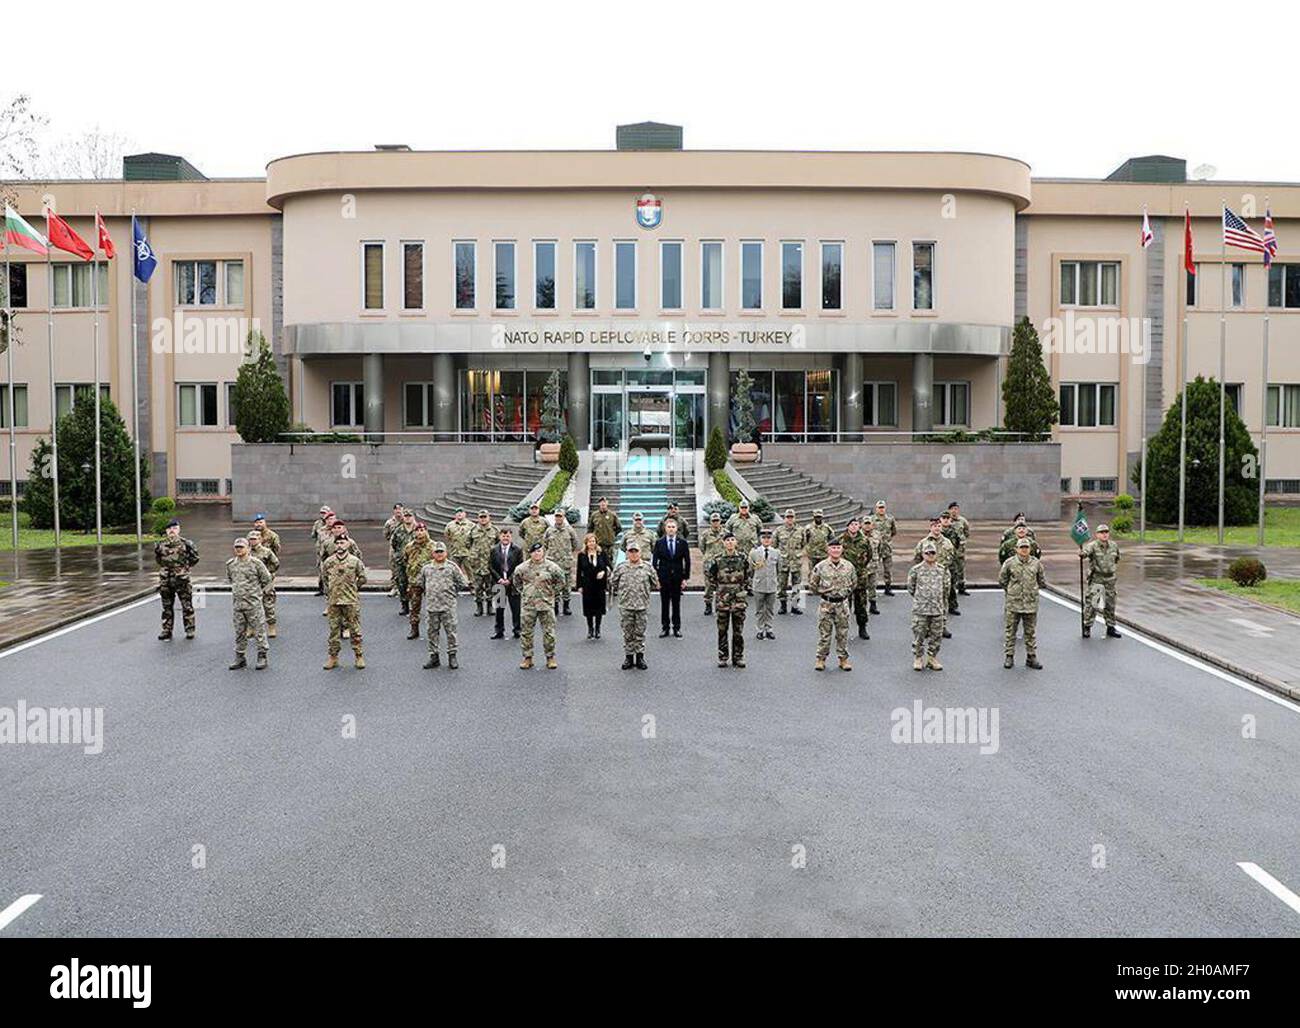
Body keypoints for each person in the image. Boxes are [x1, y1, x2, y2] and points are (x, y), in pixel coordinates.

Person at [512, 542, 568, 670]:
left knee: (549, 632)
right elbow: (517, 582)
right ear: (530, 553)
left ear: (543, 552)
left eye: (539, 551)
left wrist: (552, 592)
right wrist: (526, 593)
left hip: (546, 604)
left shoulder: (552, 567)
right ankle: (527, 658)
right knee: (526, 632)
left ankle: (550, 657)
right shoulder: (522, 568)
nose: (537, 554)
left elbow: (561, 581)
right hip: (529, 605)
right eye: (534, 552)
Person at [808, 537, 856, 671]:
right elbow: (813, 584)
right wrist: (823, 592)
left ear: (842, 549)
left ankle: (843, 659)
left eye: (838, 547)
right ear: (828, 550)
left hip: (842, 604)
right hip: (826, 604)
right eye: (833, 548)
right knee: (825, 634)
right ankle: (820, 659)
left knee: (843, 633)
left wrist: (843, 593)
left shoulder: (848, 566)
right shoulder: (821, 566)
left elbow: (853, 583)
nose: (836, 550)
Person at [420, 541, 469, 669]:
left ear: (446, 553)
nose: (439, 554)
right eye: (437, 552)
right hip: (432, 606)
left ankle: (452, 656)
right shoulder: (426, 568)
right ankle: (434, 657)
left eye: (441, 552)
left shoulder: (452, 567)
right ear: (433, 553)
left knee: (451, 632)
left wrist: (452, 593)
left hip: (448, 606)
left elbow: (462, 583)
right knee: (432, 633)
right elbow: (422, 584)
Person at [706, 532, 751, 669]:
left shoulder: (742, 558)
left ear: (736, 542)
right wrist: (720, 589)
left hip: (738, 598)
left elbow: (748, 574)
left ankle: (738, 657)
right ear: (723, 543)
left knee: (738, 631)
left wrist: (742, 588)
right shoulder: (718, 559)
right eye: (727, 540)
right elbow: (710, 576)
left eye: (732, 540)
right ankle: (723, 657)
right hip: (723, 599)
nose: (730, 542)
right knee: (722, 630)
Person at [1000, 535, 1046, 669]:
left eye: (1026, 547)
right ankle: (1009, 656)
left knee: (1030, 632)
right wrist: (1012, 591)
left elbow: (1041, 581)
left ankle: (1031, 657)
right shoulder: (1009, 563)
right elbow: (1002, 580)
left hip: (1030, 604)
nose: (1024, 550)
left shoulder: (1036, 563)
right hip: (1014, 603)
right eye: (1022, 547)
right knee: (1010, 631)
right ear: (1016, 549)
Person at [322, 534, 366, 670]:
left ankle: (359, 655)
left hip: (350, 600)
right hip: (334, 601)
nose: (340, 545)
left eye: (343, 542)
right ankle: (333, 657)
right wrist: (330, 592)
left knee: (355, 629)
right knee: (334, 630)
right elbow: (324, 579)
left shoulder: (355, 561)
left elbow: (363, 578)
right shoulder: (329, 562)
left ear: (348, 544)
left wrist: (353, 589)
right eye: (338, 543)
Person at [226, 537, 271, 671]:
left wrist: (257, 593)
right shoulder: (230, 564)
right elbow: (230, 579)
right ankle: (240, 657)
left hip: (253, 604)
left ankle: (262, 656)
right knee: (239, 632)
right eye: (237, 547)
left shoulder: (256, 563)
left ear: (248, 548)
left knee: (259, 631)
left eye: (241, 547)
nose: (239, 549)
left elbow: (266, 579)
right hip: (238, 605)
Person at [611, 539, 656, 669]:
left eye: (636, 551)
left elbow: (655, 583)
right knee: (628, 633)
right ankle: (629, 657)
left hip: (642, 605)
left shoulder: (647, 567)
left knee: (640, 632)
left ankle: (640, 657)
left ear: (640, 553)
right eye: (631, 552)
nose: (633, 554)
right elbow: (613, 582)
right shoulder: (621, 568)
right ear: (627, 553)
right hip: (626, 606)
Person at [155, 519, 199, 641]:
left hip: (182, 579)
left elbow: (195, 558)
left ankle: (190, 629)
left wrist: (184, 568)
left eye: (174, 528)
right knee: (167, 607)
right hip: (166, 580)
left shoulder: (186, 543)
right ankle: (167, 630)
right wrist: (166, 569)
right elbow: (158, 559)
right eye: (169, 529)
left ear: (179, 529)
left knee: (187, 606)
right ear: (166, 531)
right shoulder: (160, 544)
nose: (172, 531)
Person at [908, 541, 949, 671]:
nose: (930, 555)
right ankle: (918, 658)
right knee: (919, 634)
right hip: (921, 608)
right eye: (927, 553)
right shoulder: (916, 570)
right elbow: (911, 588)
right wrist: (922, 598)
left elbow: (946, 588)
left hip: (937, 608)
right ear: (922, 554)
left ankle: (932, 658)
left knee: (936, 635)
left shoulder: (942, 570)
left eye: (933, 553)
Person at [912, 517, 955, 639]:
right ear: (930, 527)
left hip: (942, 575)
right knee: (926, 603)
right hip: (926, 576)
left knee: (943, 601)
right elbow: (917, 558)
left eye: (939, 526)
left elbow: (952, 557)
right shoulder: (923, 543)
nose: (937, 528)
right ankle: (925, 628)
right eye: (934, 526)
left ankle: (942, 626)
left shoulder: (947, 543)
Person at [1081, 523, 1122, 639]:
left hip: (1110, 579)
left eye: (1106, 532)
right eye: (1102, 533)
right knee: (1093, 604)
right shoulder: (1093, 546)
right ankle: (1087, 626)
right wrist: (1082, 554)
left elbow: (1117, 558)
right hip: (1097, 578)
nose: (1104, 535)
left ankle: (1110, 627)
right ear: (1097, 534)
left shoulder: (1114, 546)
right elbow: (1086, 552)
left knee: (1110, 604)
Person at [652, 517, 690, 638]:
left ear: (677, 528)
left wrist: (685, 578)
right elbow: (655, 562)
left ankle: (677, 628)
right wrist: (656, 579)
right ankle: (665, 627)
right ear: (665, 528)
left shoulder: (682, 543)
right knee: (664, 604)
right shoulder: (659, 543)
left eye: (673, 527)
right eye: (669, 527)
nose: (671, 529)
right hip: (664, 577)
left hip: (677, 578)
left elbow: (687, 561)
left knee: (676, 604)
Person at [839, 515, 873, 640]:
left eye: (856, 524)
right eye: (851, 524)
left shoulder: (864, 541)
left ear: (859, 526)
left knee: (861, 604)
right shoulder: (841, 540)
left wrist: (861, 568)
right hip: (845, 578)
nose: (854, 527)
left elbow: (869, 555)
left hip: (860, 577)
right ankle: (843, 630)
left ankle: (862, 627)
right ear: (848, 526)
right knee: (844, 605)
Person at [543, 508, 580, 616]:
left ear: (564, 517)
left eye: (560, 516)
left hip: (565, 562)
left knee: (566, 585)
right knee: (554, 585)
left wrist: (566, 554)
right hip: (553, 562)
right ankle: (555, 605)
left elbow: (575, 544)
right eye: (557, 516)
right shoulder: (549, 530)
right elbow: (545, 544)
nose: (558, 518)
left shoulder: (570, 530)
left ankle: (566, 605)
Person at [403, 521, 435, 640]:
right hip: (415, 581)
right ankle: (414, 629)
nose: (420, 533)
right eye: (418, 530)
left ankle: (433, 630)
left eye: (422, 530)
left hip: (430, 581)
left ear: (426, 531)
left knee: (432, 607)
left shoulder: (433, 546)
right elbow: (405, 560)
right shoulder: (409, 546)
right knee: (414, 607)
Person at [490, 527, 523, 639]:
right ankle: (499, 630)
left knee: (516, 609)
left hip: (513, 584)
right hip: (498, 583)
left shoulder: (517, 550)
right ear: (500, 537)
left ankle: (517, 630)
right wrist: (499, 579)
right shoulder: (494, 550)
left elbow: (520, 567)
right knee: (499, 609)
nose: (505, 538)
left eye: (508, 536)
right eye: (503, 536)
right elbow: (490, 566)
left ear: (511, 537)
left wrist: (510, 579)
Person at [246, 527, 280, 639]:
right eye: (251, 539)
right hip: (251, 582)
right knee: (250, 605)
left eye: (255, 539)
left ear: (260, 540)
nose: (253, 541)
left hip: (265, 582)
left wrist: (269, 574)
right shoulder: (247, 552)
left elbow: (275, 563)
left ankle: (271, 625)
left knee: (268, 604)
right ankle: (251, 627)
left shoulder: (266, 552)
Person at [576, 533, 610, 639]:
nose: (592, 543)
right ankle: (590, 629)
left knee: (599, 608)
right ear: (586, 543)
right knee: (589, 608)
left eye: (593, 541)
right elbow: (579, 571)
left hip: (599, 585)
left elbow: (608, 566)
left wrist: (603, 572)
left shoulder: (602, 553)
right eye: (590, 541)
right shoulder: (581, 555)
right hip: (588, 584)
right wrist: (579, 586)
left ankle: (598, 629)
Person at [748, 527, 779, 641]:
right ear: (760, 539)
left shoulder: (776, 553)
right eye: (764, 538)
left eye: (768, 538)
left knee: (770, 609)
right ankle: (760, 629)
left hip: (771, 585)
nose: (766, 540)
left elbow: (778, 569)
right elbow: (751, 570)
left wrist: (776, 581)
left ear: (771, 540)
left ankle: (769, 628)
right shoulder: (754, 553)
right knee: (760, 609)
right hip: (759, 585)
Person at [774, 508, 806, 616]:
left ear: (794, 518)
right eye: (788, 517)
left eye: (791, 517)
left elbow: (803, 544)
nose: (789, 519)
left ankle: (794, 606)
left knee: (796, 585)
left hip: (796, 562)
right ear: (784, 518)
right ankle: (783, 606)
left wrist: (798, 554)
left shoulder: (800, 530)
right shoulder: (779, 531)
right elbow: (774, 545)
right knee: (781, 584)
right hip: (783, 561)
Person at [467, 510, 497, 616]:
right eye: (481, 517)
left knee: (490, 586)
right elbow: (468, 543)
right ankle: (479, 607)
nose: (483, 519)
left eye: (485, 517)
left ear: (489, 517)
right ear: (478, 518)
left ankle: (489, 606)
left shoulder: (494, 530)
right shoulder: (473, 530)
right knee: (478, 587)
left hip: (490, 563)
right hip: (477, 564)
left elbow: (498, 545)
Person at [390, 508, 416, 617]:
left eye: (410, 516)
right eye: (406, 516)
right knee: (401, 583)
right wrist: (398, 556)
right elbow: (394, 544)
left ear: (413, 517)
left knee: (415, 584)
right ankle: (405, 605)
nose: (408, 518)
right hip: (401, 561)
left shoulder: (418, 529)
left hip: (414, 561)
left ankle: (415, 606)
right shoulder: (398, 530)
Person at [700, 511, 727, 616]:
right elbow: (702, 547)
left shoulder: (725, 533)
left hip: (722, 563)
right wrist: (709, 556)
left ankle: (721, 605)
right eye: (713, 521)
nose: (715, 523)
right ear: (710, 522)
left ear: (720, 521)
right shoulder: (705, 534)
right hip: (709, 563)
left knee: (722, 585)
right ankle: (708, 605)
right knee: (709, 585)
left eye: (717, 521)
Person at [870, 500, 898, 596]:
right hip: (875, 548)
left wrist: (887, 540)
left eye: (883, 507)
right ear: (876, 509)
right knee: (874, 569)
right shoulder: (872, 520)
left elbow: (894, 531)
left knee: (888, 569)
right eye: (879, 508)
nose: (881, 510)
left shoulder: (890, 519)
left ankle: (888, 587)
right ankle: (873, 588)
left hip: (887, 548)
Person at [938, 510, 962, 617]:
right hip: (939, 563)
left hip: (951, 563)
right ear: (941, 520)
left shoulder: (954, 532)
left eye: (948, 519)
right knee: (938, 586)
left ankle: (952, 606)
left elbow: (957, 545)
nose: (946, 520)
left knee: (952, 585)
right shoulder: (937, 532)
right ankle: (939, 606)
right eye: (944, 518)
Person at [587, 497, 622, 567]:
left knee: (609, 563)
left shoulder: (612, 515)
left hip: (609, 544)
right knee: (597, 562)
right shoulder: (594, 515)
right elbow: (590, 528)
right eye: (601, 502)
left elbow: (619, 527)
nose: (603, 503)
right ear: (599, 504)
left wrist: (612, 535)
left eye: (604, 502)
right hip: (598, 544)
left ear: (607, 503)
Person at [947, 501, 971, 596]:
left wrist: (962, 542)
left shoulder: (963, 521)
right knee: (949, 569)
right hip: (949, 550)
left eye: (956, 509)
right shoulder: (946, 520)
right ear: (949, 510)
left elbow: (966, 533)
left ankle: (961, 587)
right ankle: (949, 588)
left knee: (960, 569)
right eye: (952, 509)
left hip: (960, 550)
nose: (954, 511)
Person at [383, 502, 405, 599]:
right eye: (396, 509)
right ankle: (394, 588)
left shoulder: (406, 520)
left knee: (404, 568)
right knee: (394, 568)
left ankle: (404, 588)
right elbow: (386, 534)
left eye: (400, 509)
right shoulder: (389, 522)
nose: (398, 511)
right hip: (394, 548)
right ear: (394, 511)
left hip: (405, 547)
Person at [311, 505, 333, 595]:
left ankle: (331, 589)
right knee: (321, 570)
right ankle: (321, 589)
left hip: (331, 551)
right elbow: (313, 535)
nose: (323, 515)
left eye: (324, 513)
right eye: (321, 513)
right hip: (320, 551)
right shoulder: (317, 524)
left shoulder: (335, 524)